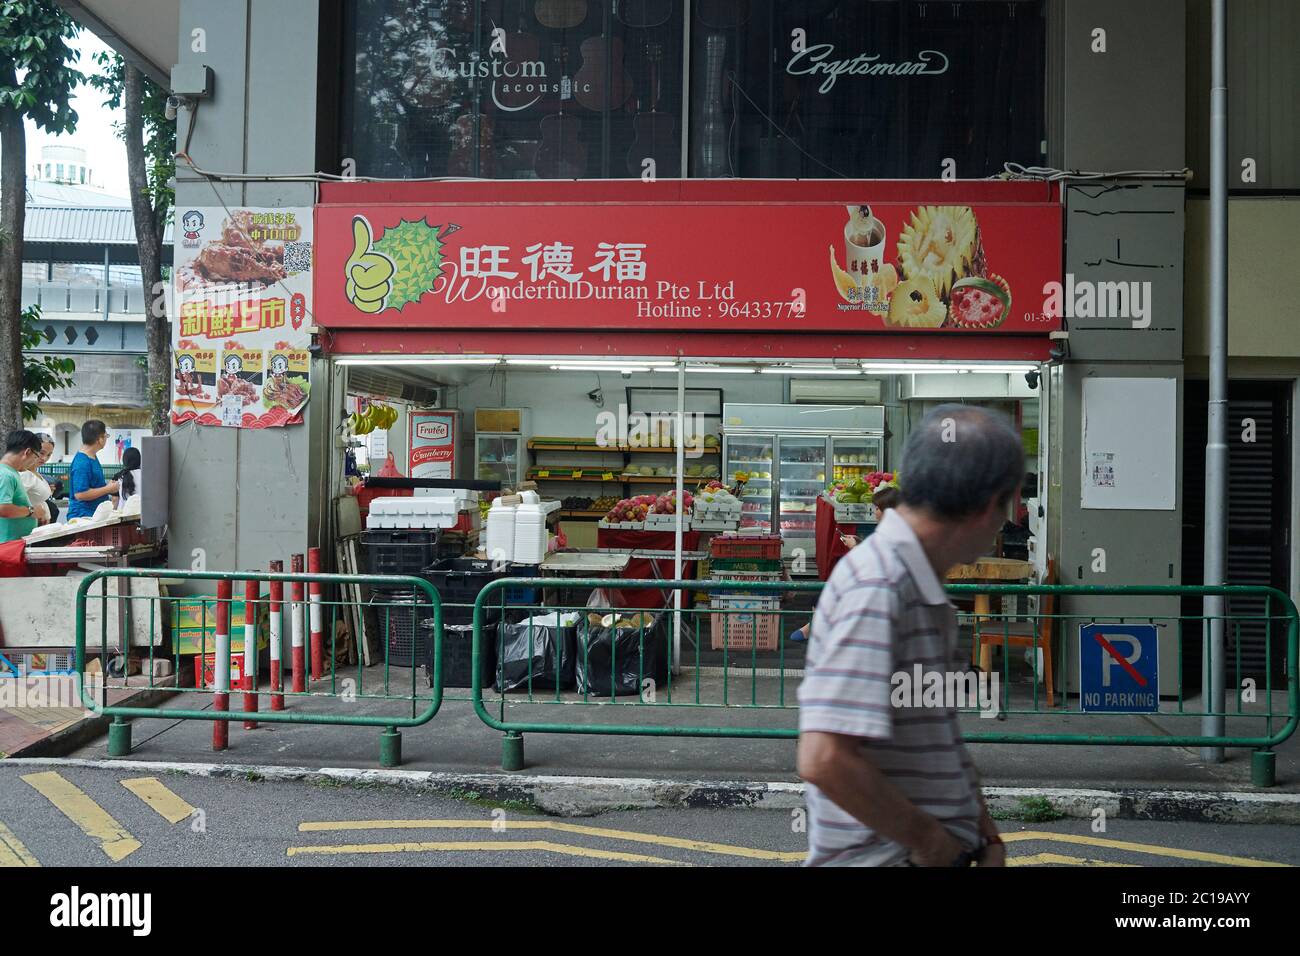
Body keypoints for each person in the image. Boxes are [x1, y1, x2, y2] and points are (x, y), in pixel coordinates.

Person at [796, 404, 1023, 866]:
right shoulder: (880, 586)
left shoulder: (918, 583)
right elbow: (824, 758)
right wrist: (933, 845)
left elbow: (937, 731)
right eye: (1008, 506)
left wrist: (984, 833)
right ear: (986, 508)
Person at [790, 483, 900, 643]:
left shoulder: (894, 535)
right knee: (824, 594)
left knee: (827, 595)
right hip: (874, 585)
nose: (875, 513)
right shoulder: (890, 531)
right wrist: (859, 544)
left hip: (879, 590)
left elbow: (878, 564)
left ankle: (817, 627)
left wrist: (856, 547)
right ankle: (816, 626)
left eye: (877, 509)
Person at [67, 420, 119, 520]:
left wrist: (108, 486)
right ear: (99, 439)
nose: (106, 439)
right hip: (83, 517)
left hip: (93, 514)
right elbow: (80, 494)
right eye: (105, 436)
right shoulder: (82, 462)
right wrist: (108, 489)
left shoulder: (92, 456)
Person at [0, 431, 45, 543]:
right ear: (27, 452)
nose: (33, 462)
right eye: (35, 456)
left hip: (14, 543)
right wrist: (31, 511)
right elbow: (3, 508)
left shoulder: (11, 473)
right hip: (7, 545)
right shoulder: (6, 475)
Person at [17, 433, 55, 525]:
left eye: (49, 455)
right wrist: (32, 510)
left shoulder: (35, 473)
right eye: (42, 453)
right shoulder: (25, 475)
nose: (44, 458)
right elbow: (13, 502)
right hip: (26, 527)